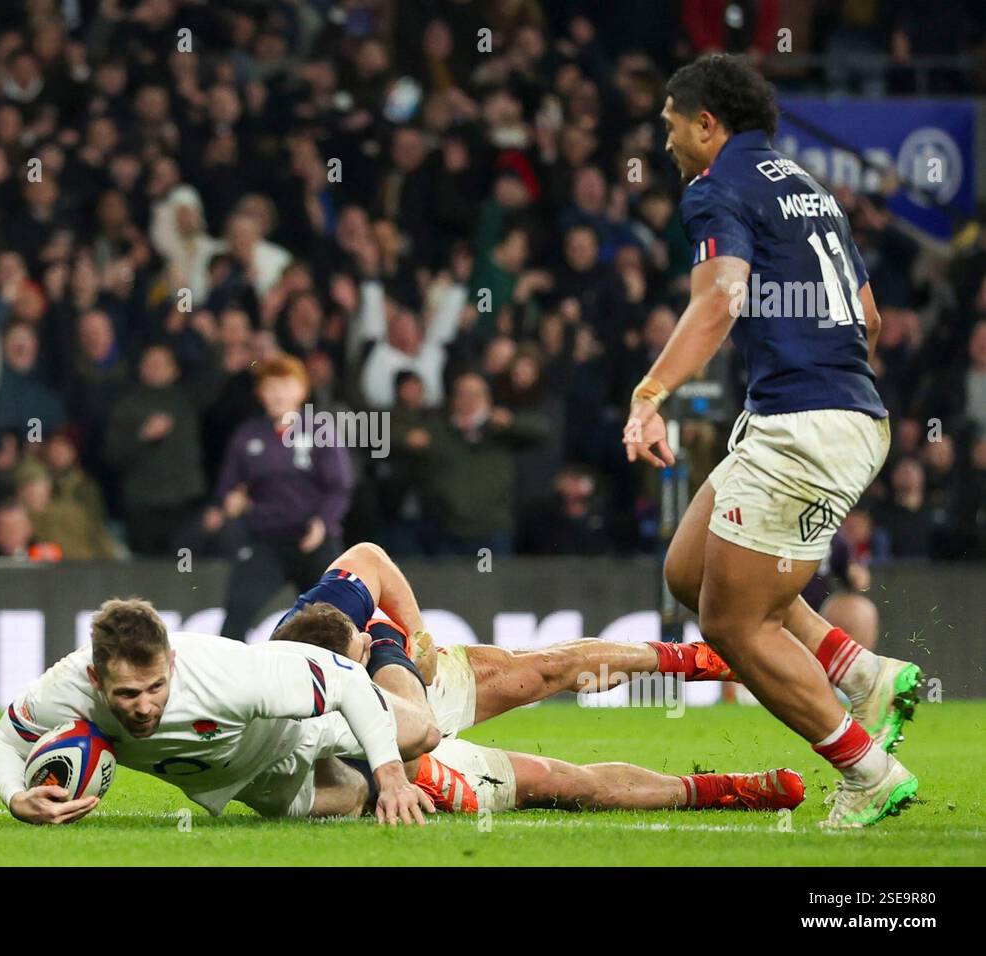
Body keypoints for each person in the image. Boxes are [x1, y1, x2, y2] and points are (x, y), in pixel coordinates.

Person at [623, 56, 919, 828]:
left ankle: (867, 771)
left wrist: (649, 394)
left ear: (706, 124)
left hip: (801, 426)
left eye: (671, 125)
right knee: (689, 572)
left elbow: (719, 301)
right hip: (835, 413)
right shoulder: (812, 190)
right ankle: (862, 676)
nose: (666, 141)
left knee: (732, 624)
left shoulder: (715, 187)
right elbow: (870, 318)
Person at [270, 542, 802, 815]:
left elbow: (368, 557)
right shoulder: (285, 731)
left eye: (358, 638)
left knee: (546, 668)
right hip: (398, 758)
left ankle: (707, 659)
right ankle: (728, 791)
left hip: (407, 684)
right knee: (558, 783)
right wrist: (373, 792)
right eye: (358, 648)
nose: (361, 639)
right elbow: (324, 797)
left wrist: (417, 638)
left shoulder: (317, 623)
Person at [0, 598, 438, 826]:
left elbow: (346, 683)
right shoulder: (66, 690)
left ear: (171, 663)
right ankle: (405, 779)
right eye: (127, 694)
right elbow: (1, 742)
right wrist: (16, 798)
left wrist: (392, 778)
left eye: (156, 686)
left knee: (423, 735)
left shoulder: (226, 673)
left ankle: (383, 642)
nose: (144, 707)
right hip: (243, 783)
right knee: (354, 798)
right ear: (96, 680)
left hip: (293, 728)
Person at [205, 353, 353, 641]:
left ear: (301, 390)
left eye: (285, 386)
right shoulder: (247, 435)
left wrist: (322, 524)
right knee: (236, 614)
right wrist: (230, 502)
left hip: (313, 540)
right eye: (270, 387)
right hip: (265, 541)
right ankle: (229, 668)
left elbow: (339, 486)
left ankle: (344, 667)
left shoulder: (320, 430)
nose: (277, 394)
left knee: (336, 620)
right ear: (260, 393)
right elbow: (228, 488)